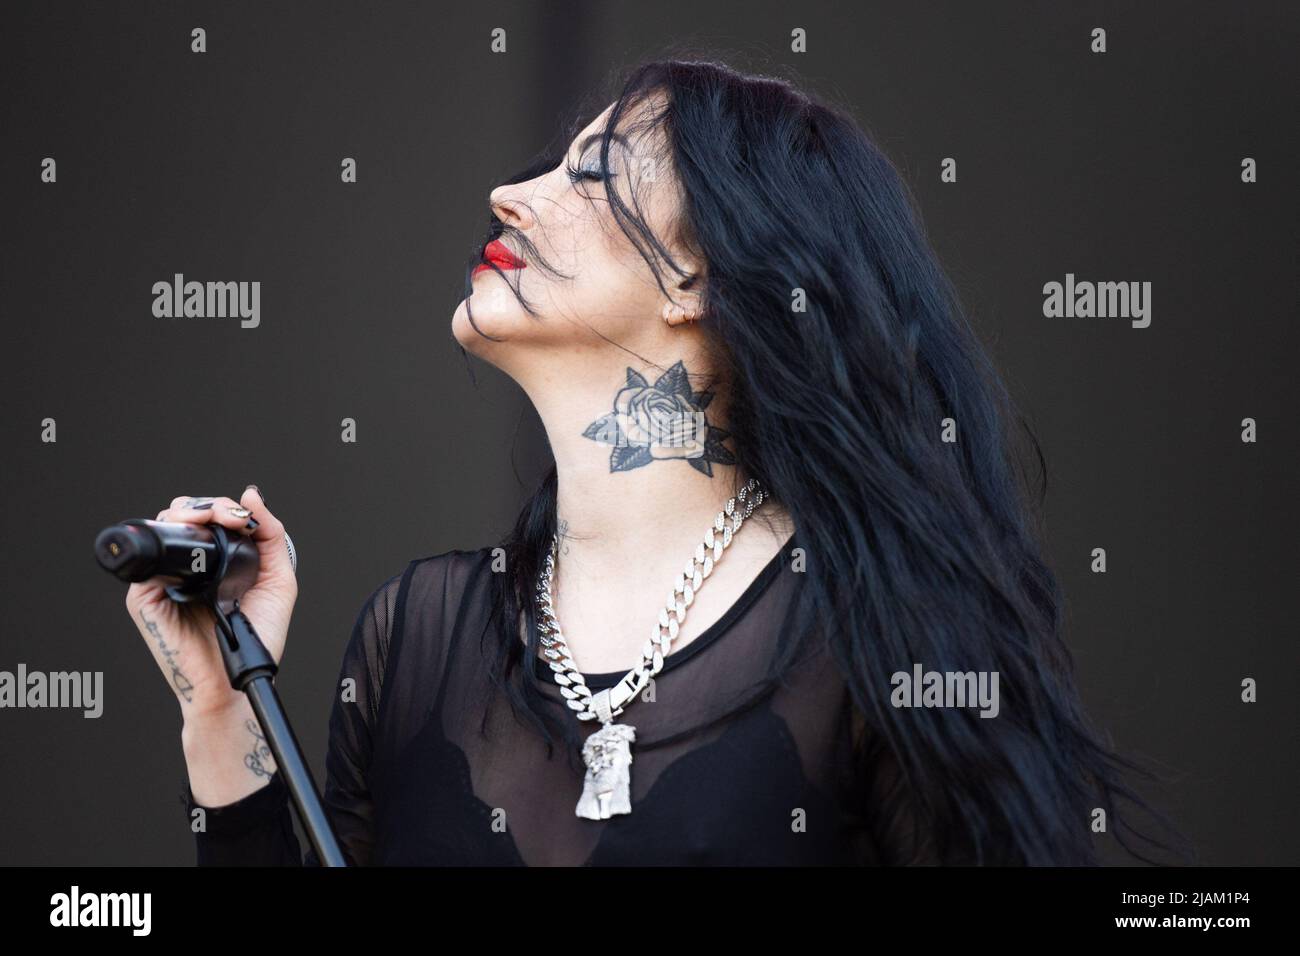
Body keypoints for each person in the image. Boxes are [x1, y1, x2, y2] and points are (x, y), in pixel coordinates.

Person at [126, 56, 1184, 866]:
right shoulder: (418, 631)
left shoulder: (870, 633)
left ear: (697, 276)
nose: (510, 196)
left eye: (591, 175)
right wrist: (225, 710)